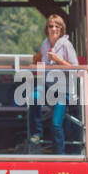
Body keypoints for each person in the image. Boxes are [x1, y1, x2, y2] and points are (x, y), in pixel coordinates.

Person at [37, 13, 79, 155]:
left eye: (57, 26)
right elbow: (43, 67)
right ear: (47, 28)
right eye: (51, 26)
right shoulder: (45, 44)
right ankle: (36, 134)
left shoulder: (66, 45)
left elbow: (76, 69)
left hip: (64, 91)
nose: (53, 29)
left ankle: (60, 156)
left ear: (61, 29)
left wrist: (58, 60)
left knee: (56, 124)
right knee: (33, 96)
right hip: (48, 88)